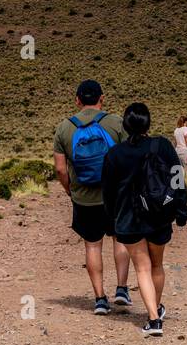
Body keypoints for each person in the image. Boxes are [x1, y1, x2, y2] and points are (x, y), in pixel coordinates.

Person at [101, 102, 187, 338]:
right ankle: (156, 310)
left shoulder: (115, 154)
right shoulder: (161, 146)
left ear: (125, 125)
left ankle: (153, 319)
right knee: (157, 265)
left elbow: (107, 192)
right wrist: (181, 209)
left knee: (142, 268)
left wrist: (110, 222)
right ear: (148, 123)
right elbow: (177, 177)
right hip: (159, 215)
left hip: (129, 219)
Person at [52, 79, 131, 315]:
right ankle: (122, 289)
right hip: (115, 195)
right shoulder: (116, 123)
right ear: (102, 98)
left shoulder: (64, 128)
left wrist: (70, 190)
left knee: (93, 246)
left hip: (84, 198)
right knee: (120, 239)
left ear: (77, 100)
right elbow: (129, 157)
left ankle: (99, 299)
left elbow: (60, 169)